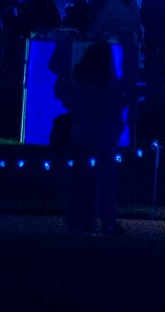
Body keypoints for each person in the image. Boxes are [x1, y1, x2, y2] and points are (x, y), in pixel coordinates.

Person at [66, 44, 128, 235]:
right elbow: (118, 105)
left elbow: (72, 104)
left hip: (82, 136)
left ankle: (83, 220)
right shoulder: (108, 83)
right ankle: (108, 222)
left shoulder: (80, 80)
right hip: (103, 137)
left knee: (83, 180)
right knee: (106, 182)